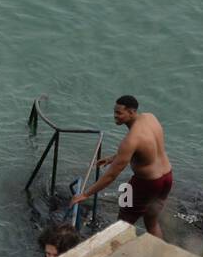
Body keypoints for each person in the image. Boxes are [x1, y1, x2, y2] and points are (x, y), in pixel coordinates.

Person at [71, 95, 173, 239]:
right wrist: (114, 158)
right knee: (151, 221)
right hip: (167, 177)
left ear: (131, 112)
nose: (115, 116)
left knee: (123, 223)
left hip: (146, 184)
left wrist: (85, 194)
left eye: (119, 113)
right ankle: (161, 254)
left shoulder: (131, 139)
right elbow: (147, 150)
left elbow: (111, 176)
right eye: (114, 112)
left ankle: (121, 255)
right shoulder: (150, 118)